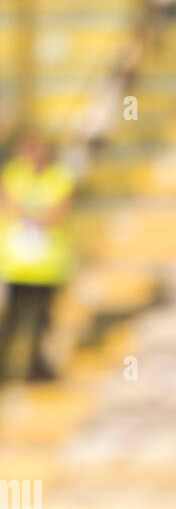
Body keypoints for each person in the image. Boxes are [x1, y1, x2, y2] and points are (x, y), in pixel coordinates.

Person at [0, 134, 74, 383]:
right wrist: (36, 215)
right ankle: (6, 369)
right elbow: (8, 205)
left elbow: (59, 212)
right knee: (12, 320)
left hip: (47, 265)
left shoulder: (59, 177)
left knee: (42, 320)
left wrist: (31, 215)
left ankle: (35, 369)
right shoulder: (13, 175)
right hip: (16, 265)